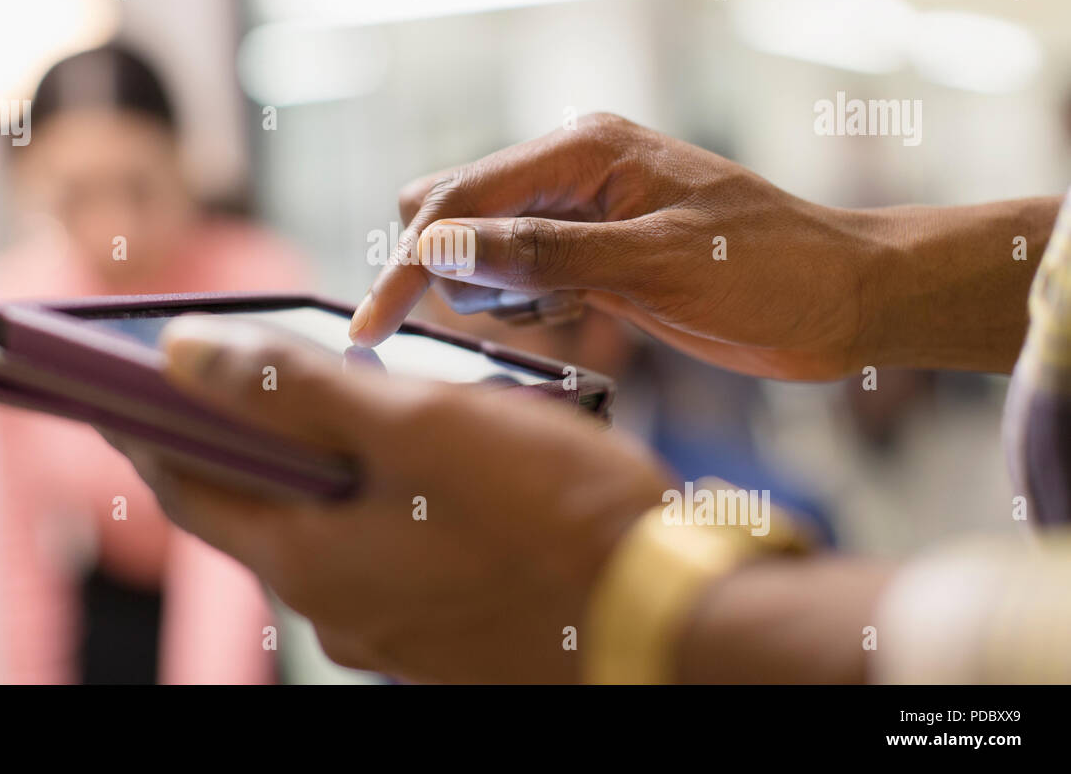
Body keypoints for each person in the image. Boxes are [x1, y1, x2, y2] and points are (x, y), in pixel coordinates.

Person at [106, 113, 1071, 683]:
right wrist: (865, 281)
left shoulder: (759, 503)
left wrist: (645, 602)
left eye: (525, 320)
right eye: (453, 334)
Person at [0, 43, 308, 683]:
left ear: (184, 166)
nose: (113, 228)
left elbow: (223, 544)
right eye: (76, 196)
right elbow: (17, 545)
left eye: (139, 189)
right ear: (31, 185)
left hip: (237, 598)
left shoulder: (257, 281)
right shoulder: (9, 310)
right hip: (108, 609)